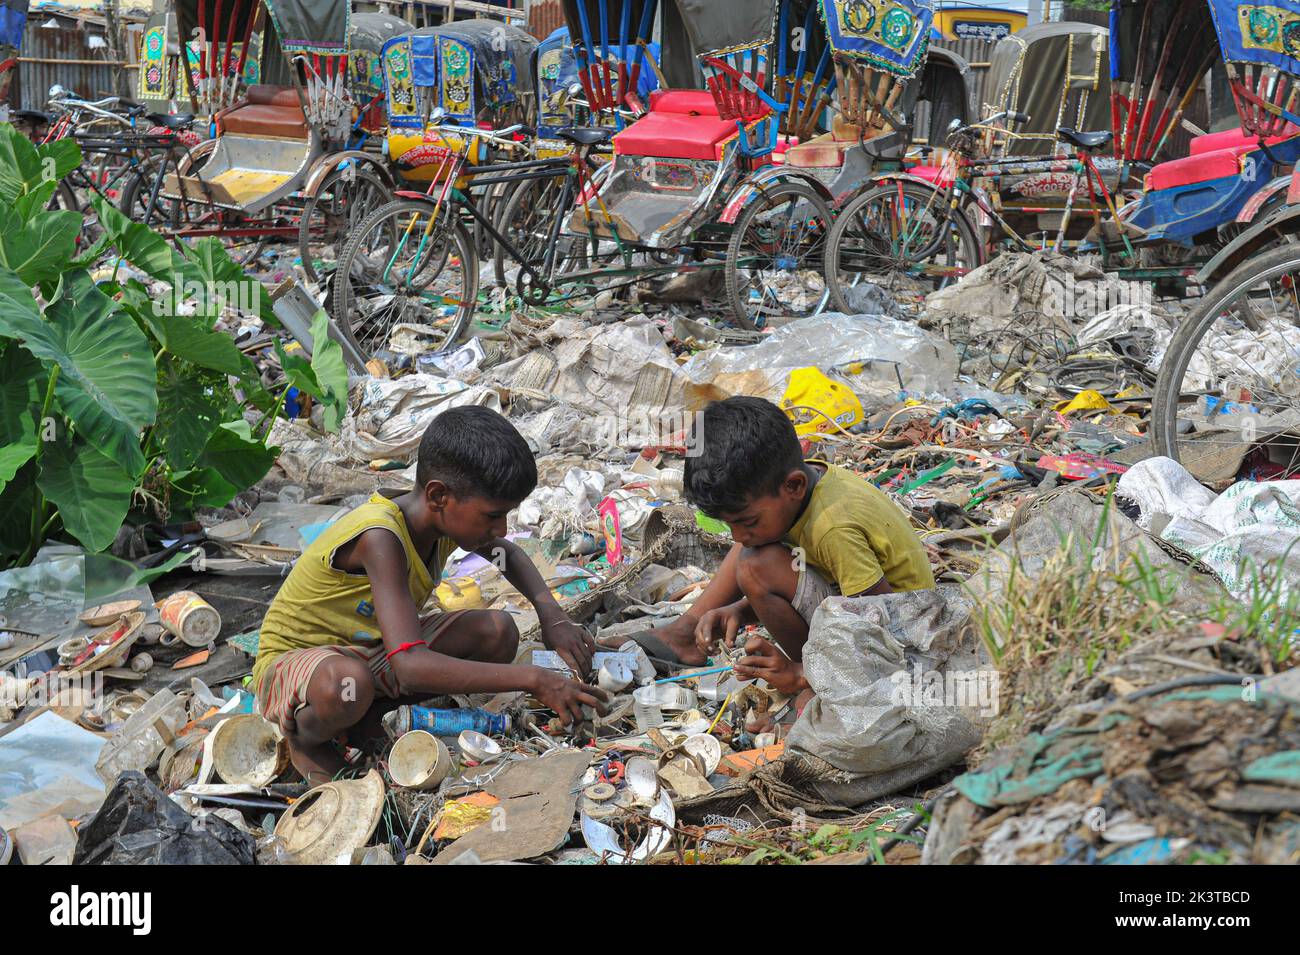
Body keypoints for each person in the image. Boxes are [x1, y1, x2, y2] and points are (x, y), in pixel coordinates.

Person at [253, 406, 607, 783]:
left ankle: (366, 724)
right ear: (439, 495)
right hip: (297, 668)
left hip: (369, 654)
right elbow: (409, 666)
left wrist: (552, 617)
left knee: (498, 632)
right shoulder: (380, 537)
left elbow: (510, 555)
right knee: (348, 685)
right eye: (492, 515)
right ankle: (307, 739)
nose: (501, 528)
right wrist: (532, 679)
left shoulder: (441, 522)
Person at [619, 396, 935, 697]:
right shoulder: (796, 486)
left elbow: (881, 624)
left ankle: (818, 684)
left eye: (746, 521)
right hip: (869, 608)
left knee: (756, 565)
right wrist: (740, 612)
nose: (736, 536)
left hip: (907, 642)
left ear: (794, 486)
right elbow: (824, 578)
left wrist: (801, 673)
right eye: (729, 525)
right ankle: (690, 635)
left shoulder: (833, 528)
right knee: (754, 549)